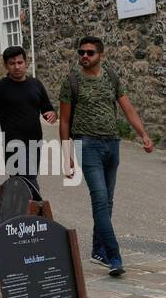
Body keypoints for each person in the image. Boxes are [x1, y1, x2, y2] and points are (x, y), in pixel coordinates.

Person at [59, 35, 153, 278]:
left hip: (112, 143)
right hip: (86, 144)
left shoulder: (111, 77)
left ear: (101, 54)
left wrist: (143, 134)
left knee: (108, 200)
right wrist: (67, 155)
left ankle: (98, 250)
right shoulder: (71, 80)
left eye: (90, 53)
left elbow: (127, 107)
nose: (84, 57)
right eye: (81, 52)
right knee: (100, 199)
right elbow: (65, 121)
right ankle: (114, 256)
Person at [0, 47, 56, 197]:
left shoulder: (36, 84)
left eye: (20, 62)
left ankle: (18, 212)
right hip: (13, 144)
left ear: (26, 63)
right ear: (6, 65)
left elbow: (47, 108)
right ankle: (34, 212)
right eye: (12, 63)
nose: (17, 66)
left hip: (35, 143)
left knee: (23, 182)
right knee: (28, 182)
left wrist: (51, 114)